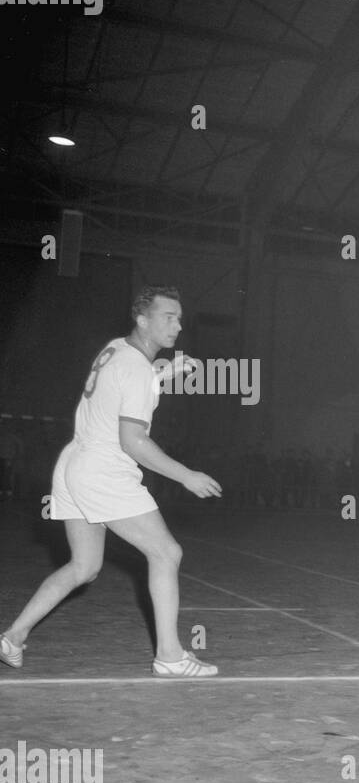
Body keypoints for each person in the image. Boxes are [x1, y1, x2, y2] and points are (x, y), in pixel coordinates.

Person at [0, 287, 222, 677]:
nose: (178, 325)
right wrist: (186, 475)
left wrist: (163, 373)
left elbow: (121, 387)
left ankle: (13, 637)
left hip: (74, 463)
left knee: (83, 566)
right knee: (167, 554)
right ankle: (170, 657)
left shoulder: (117, 348)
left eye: (179, 318)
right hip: (104, 469)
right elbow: (133, 440)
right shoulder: (136, 368)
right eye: (168, 317)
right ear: (142, 319)